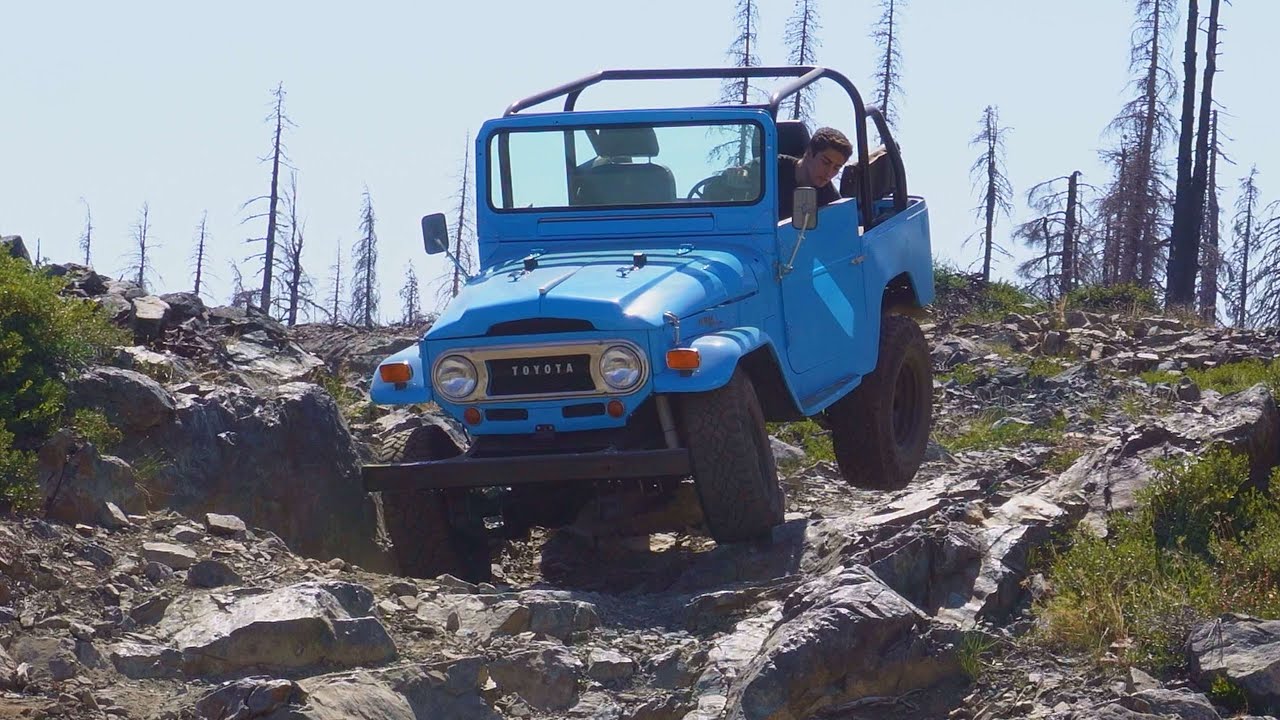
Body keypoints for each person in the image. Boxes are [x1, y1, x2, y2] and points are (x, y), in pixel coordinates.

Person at [776, 126, 853, 221]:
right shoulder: (770, 169)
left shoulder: (831, 200)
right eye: (825, 162)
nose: (829, 172)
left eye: (836, 168)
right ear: (809, 153)